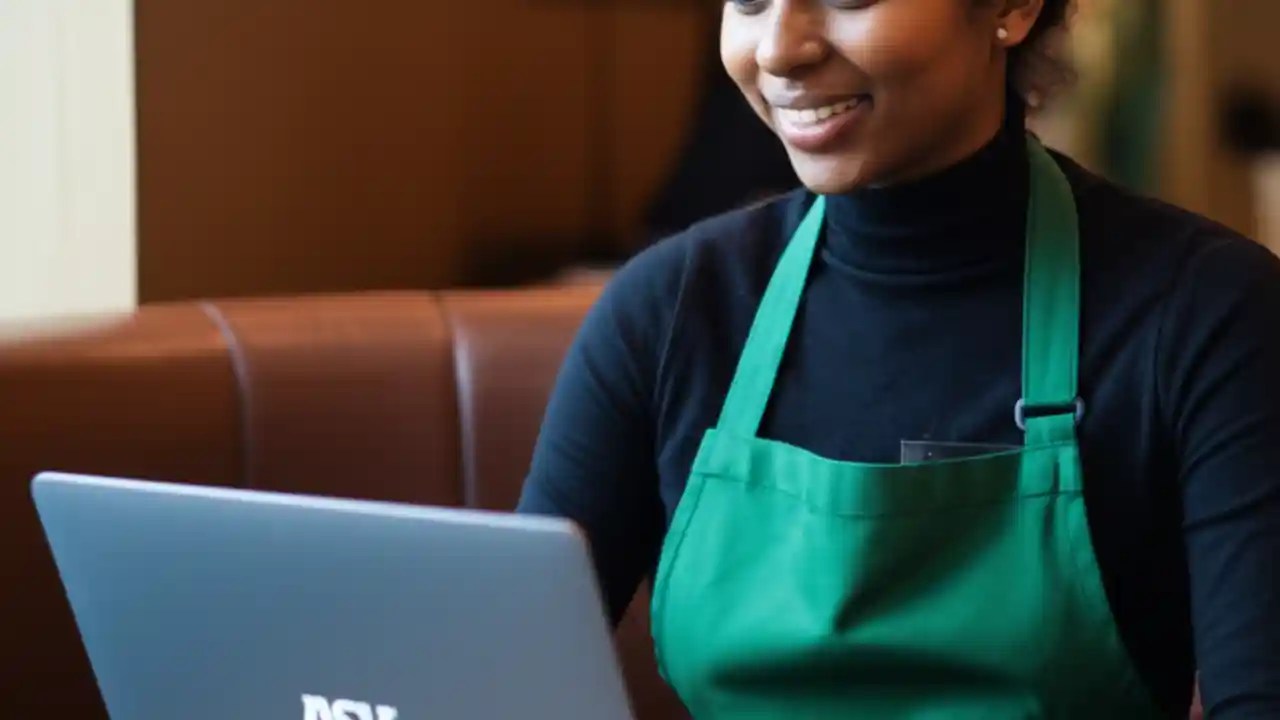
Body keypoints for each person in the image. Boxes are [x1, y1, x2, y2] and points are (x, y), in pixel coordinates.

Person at [517, 0, 1280, 716]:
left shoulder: (1206, 314)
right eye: (748, 0)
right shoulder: (671, 310)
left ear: (1013, 6)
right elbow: (498, 679)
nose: (780, 48)